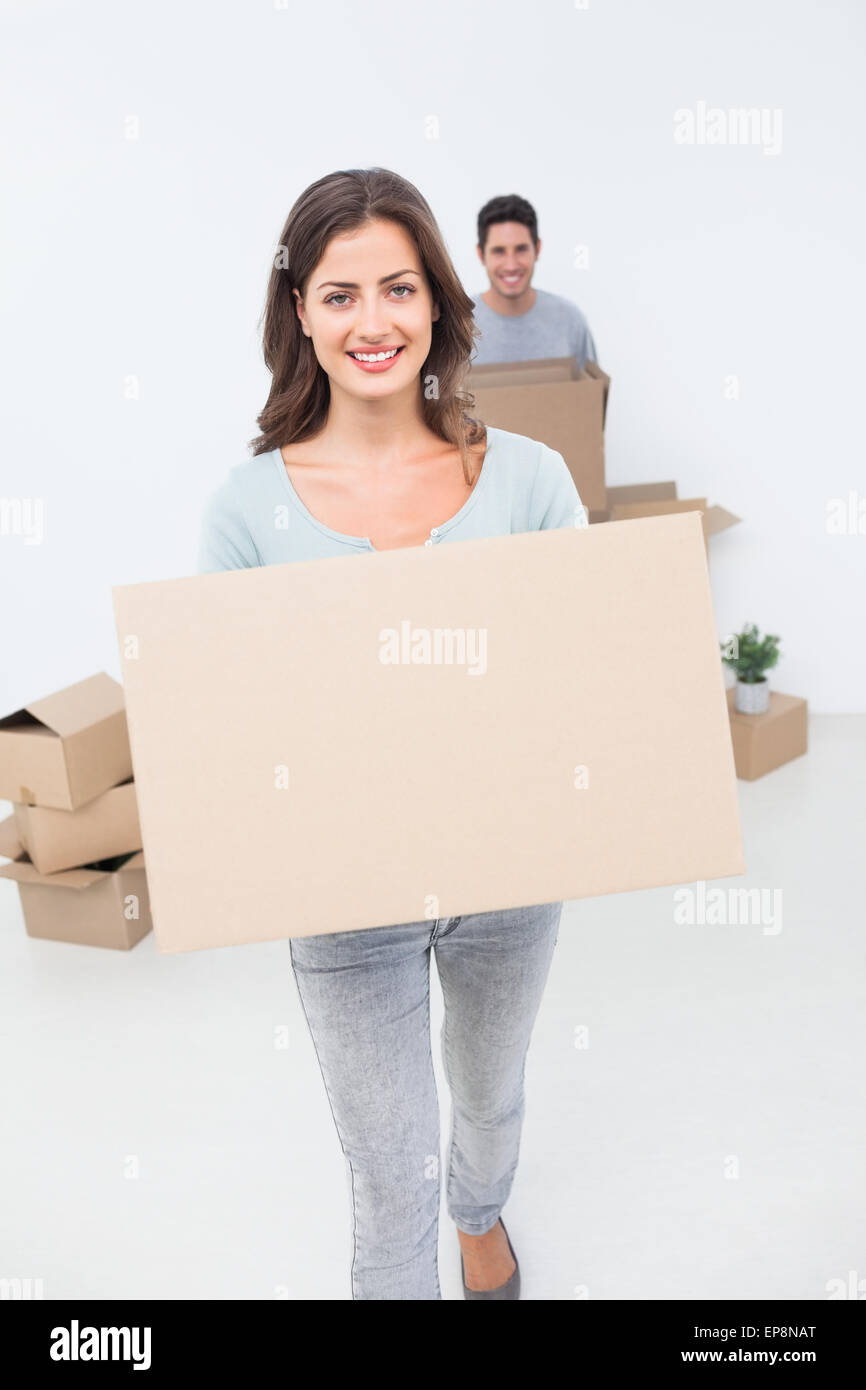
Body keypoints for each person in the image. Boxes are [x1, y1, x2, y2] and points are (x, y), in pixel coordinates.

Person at [197, 167, 589, 1300]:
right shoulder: (245, 508)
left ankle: (483, 1213)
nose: (373, 323)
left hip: (505, 873)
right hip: (341, 893)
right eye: (338, 295)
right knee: (386, 1174)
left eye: (400, 289)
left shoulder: (523, 480)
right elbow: (225, 729)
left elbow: (587, 680)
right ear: (300, 315)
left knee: (488, 1093)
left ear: (437, 305)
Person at [471, 192, 599, 371]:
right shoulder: (458, 325)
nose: (511, 265)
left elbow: (591, 395)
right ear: (481, 254)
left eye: (521, 249)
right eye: (499, 251)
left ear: (537, 249)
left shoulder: (570, 321)